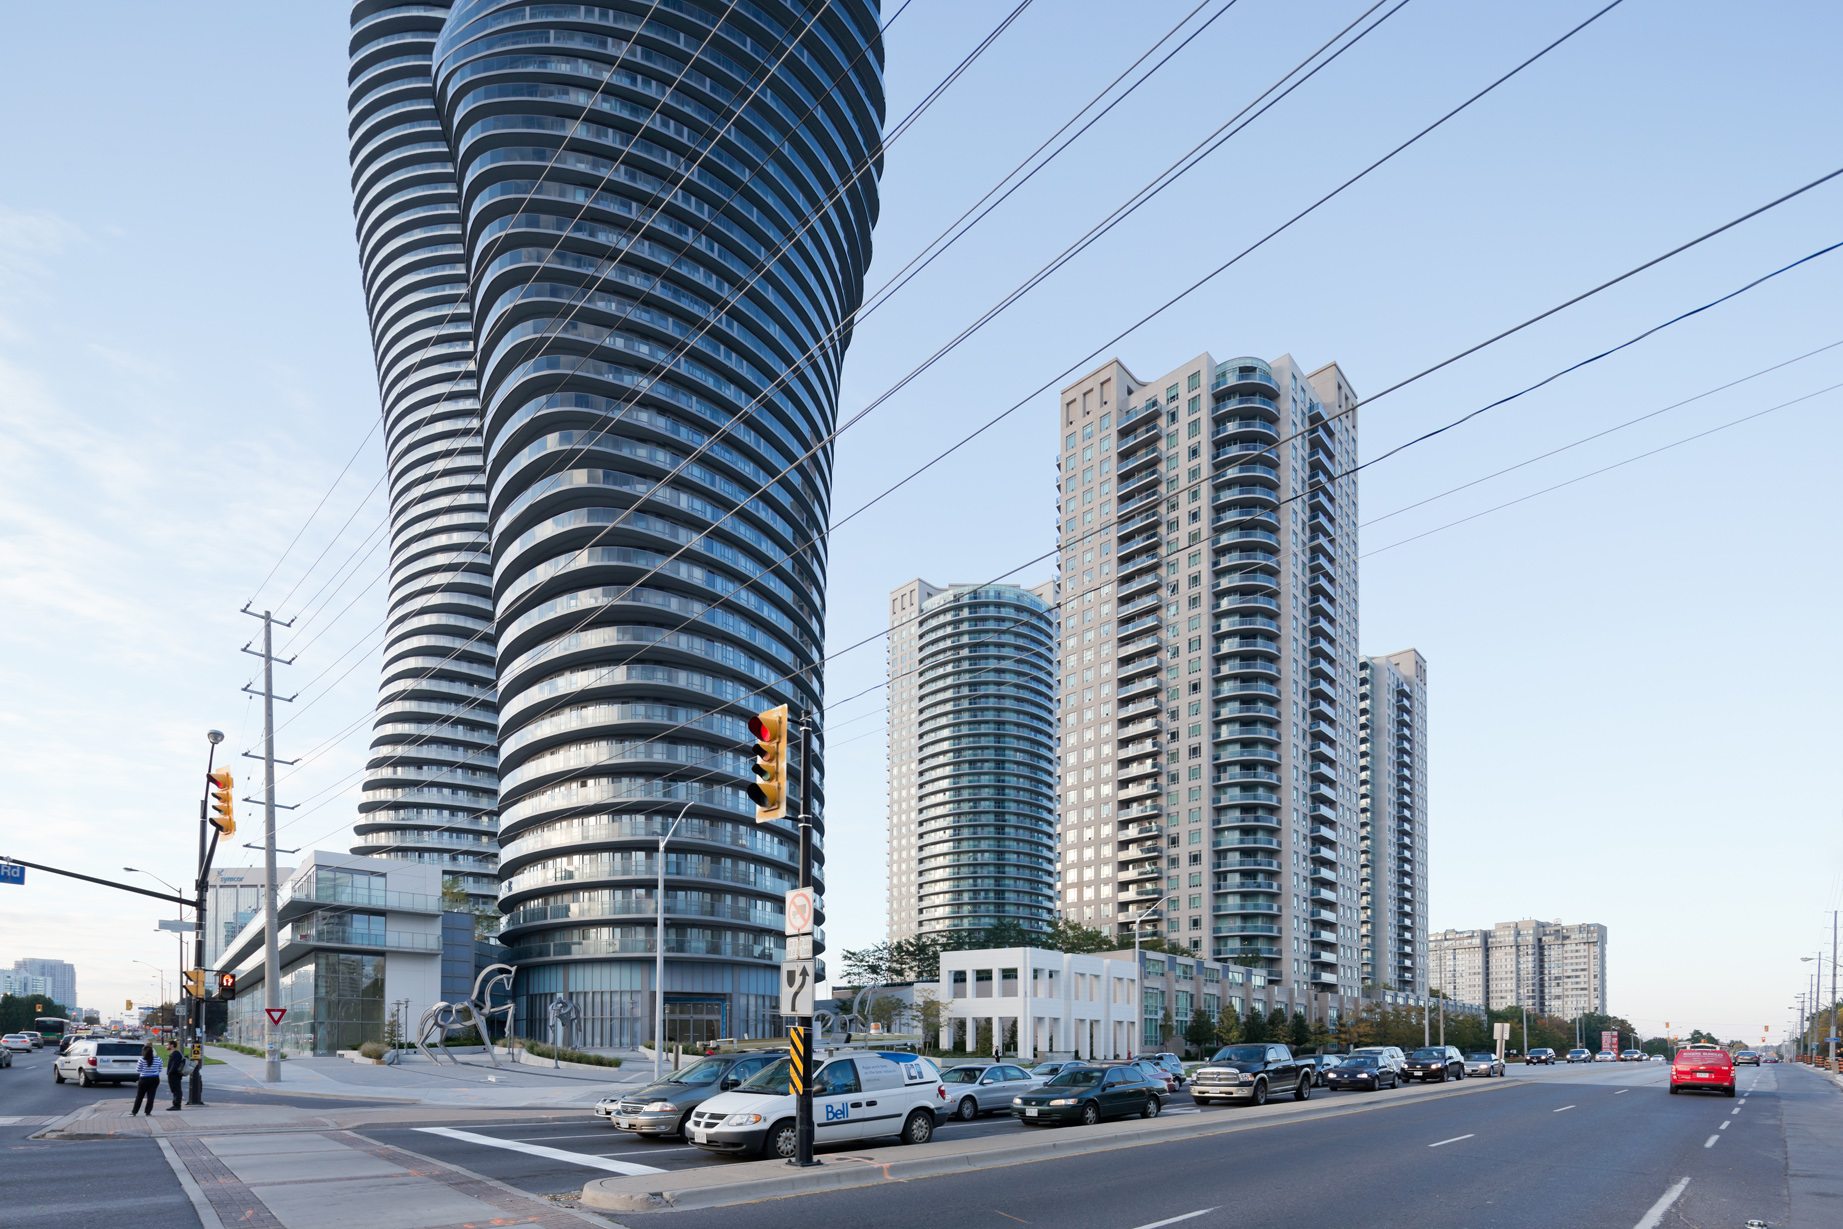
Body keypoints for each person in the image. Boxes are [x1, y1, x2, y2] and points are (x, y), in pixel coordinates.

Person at [131, 1043, 163, 1116]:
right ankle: (148, 1112)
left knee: (139, 1096)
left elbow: (138, 1069)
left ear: (143, 1052)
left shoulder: (141, 1060)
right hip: (155, 1078)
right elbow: (160, 1069)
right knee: (151, 1096)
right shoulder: (158, 1059)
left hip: (144, 1079)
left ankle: (134, 1112)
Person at [165, 1039, 187, 1110]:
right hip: (173, 1074)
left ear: (172, 1045)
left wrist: (170, 1072)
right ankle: (175, 1104)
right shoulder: (174, 1053)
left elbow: (175, 1065)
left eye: (167, 1044)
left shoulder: (176, 1054)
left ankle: (177, 1105)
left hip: (174, 1075)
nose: (166, 1046)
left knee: (176, 1089)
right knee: (174, 1089)